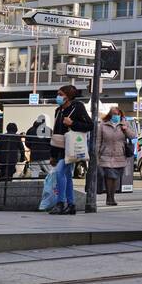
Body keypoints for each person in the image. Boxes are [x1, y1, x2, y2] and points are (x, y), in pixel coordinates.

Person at [49, 85, 93, 215]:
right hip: (60, 147)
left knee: (59, 172)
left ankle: (61, 203)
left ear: (67, 96)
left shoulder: (77, 107)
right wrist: (52, 155)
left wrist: (72, 123)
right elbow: (56, 134)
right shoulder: (58, 111)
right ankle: (71, 204)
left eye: (60, 94)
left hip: (71, 148)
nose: (58, 96)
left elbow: (89, 125)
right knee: (66, 175)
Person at [94, 108, 135, 207]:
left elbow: (133, 136)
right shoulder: (103, 125)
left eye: (117, 114)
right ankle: (109, 198)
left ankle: (112, 196)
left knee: (115, 177)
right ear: (110, 115)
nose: (116, 116)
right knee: (109, 176)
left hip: (120, 155)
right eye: (114, 114)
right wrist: (97, 154)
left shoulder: (124, 124)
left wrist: (126, 130)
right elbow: (98, 140)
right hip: (106, 155)